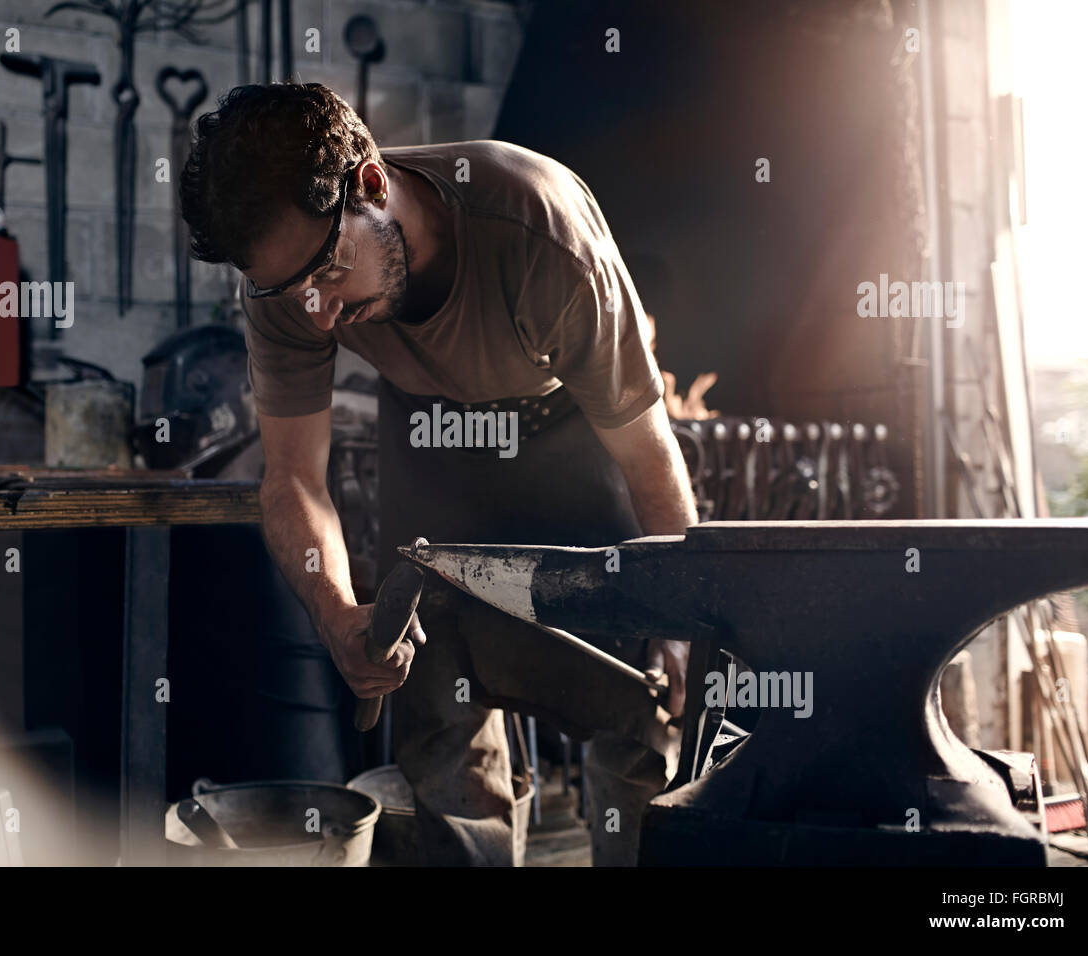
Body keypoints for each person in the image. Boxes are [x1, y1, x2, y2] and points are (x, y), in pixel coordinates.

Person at [179, 83, 698, 865]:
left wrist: (684, 619)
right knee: (435, 695)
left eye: (325, 269)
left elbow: (646, 449)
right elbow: (293, 481)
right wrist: (334, 612)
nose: (314, 313)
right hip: (428, 428)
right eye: (289, 290)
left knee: (639, 705)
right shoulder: (286, 287)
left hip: (568, 434)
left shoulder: (540, 232)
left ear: (372, 185)